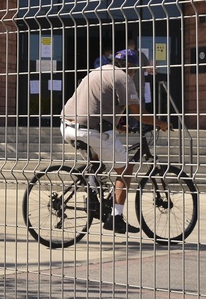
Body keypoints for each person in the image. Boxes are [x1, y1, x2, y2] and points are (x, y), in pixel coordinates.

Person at [59, 48, 167, 233]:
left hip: (67, 125)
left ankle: (92, 192)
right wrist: (161, 123)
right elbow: (139, 113)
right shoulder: (123, 78)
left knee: (98, 162)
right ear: (130, 67)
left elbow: (96, 106)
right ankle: (116, 218)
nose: (134, 74)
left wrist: (119, 127)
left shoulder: (97, 71)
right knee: (125, 169)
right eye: (135, 70)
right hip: (91, 131)